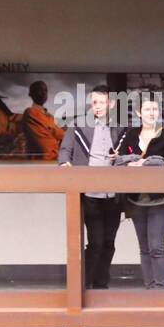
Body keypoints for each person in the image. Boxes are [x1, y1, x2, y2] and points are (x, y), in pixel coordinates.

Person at [113, 94, 164, 289]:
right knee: (144, 248)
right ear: (139, 112)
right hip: (136, 200)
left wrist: (152, 165)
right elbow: (120, 160)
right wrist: (132, 164)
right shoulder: (131, 134)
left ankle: (161, 291)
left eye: (155, 110)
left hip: (160, 200)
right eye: (147, 109)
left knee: (156, 247)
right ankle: (149, 289)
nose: (151, 113)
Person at [59, 85, 122, 289]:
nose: (97, 106)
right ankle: (84, 286)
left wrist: (122, 157)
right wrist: (64, 164)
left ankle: (101, 284)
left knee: (109, 243)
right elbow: (65, 150)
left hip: (113, 193)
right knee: (95, 242)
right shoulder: (77, 125)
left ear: (110, 104)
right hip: (89, 193)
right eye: (94, 102)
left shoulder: (120, 127)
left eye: (102, 102)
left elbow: (131, 153)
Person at [21, 79, 65, 161]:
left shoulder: (49, 117)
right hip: (40, 163)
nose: (43, 92)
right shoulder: (30, 113)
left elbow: (63, 135)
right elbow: (46, 148)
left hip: (55, 160)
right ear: (31, 94)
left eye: (45, 90)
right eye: (39, 90)